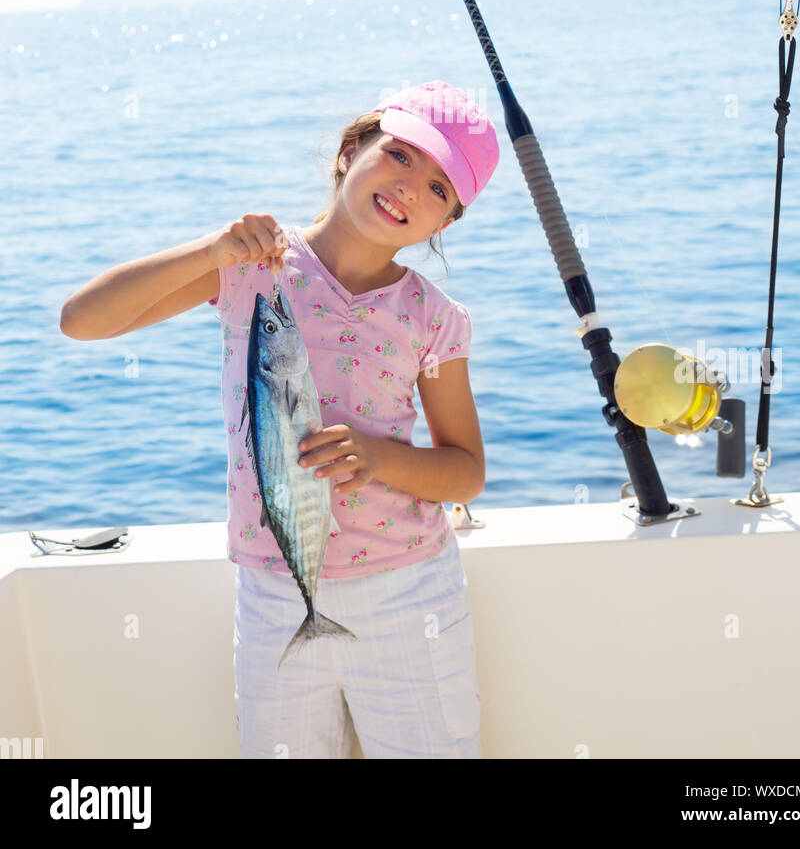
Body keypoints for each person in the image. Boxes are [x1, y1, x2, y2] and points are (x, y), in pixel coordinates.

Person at [60, 79, 499, 759]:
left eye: (440, 189)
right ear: (350, 151)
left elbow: (464, 473)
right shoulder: (251, 270)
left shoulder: (434, 319)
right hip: (274, 591)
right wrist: (211, 251)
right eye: (402, 156)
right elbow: (83, 321)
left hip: (411, 596)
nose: (412, 187)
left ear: (444, 225)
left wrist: (378, 456)